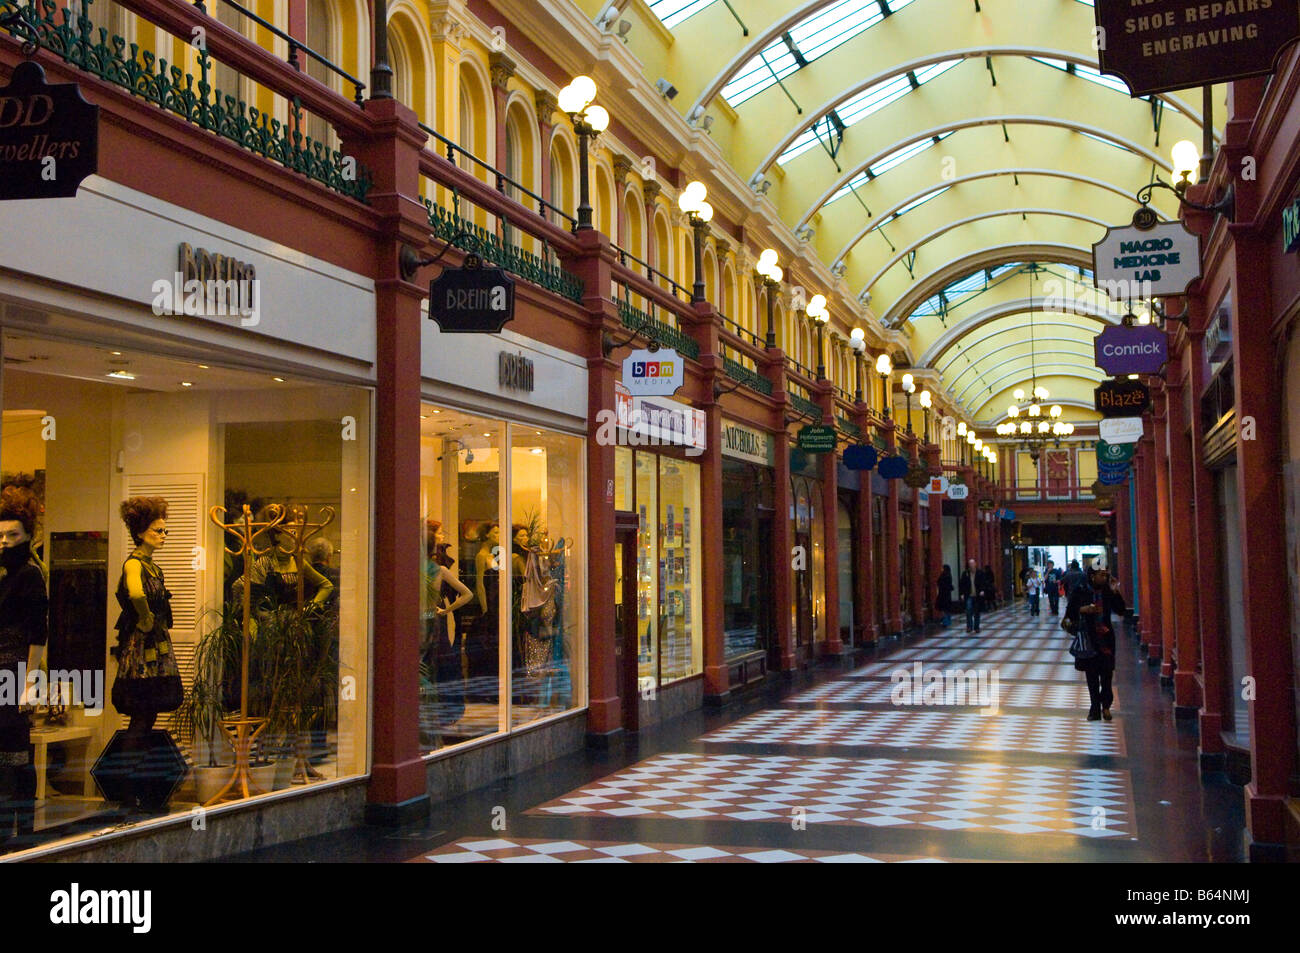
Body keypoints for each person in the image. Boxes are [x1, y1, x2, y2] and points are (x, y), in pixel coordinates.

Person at [0, 486, 46, 847]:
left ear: (29, 535)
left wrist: (29, 685)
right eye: (1, 535)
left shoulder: (30, 573)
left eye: (13, 535)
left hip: (14, 670)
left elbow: (38, 634)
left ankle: (23, 833)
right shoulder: (5, 573)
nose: (5, 541)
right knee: (8, 752)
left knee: (15, 751)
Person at [1064, 565, 1126, 721]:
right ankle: (1094, 709)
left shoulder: (1107, 591)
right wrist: (1083, 609)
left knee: (1107, 674)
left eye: (1106, 575)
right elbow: (1070, 612)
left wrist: (1115, 590)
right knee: (1091, 676)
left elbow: (1121, 610)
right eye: (1101, 575)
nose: (1104, 578)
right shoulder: (1081, 590)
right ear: (1092, 576)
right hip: (1088, 638)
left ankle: (1106, 706)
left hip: (1106, 638)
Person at [959, 559, 981, 633]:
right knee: (968, 611)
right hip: (969, 595)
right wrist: (962, 594)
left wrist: (982, 591)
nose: (971, 566)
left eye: (972, 564)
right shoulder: (965, 574)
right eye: (970, 564)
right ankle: (969, 627)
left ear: (975, 564)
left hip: (977, 595)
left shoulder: (979, 573)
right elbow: (961, 584)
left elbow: (983, 583)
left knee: (977, 612)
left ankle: (976, 627)